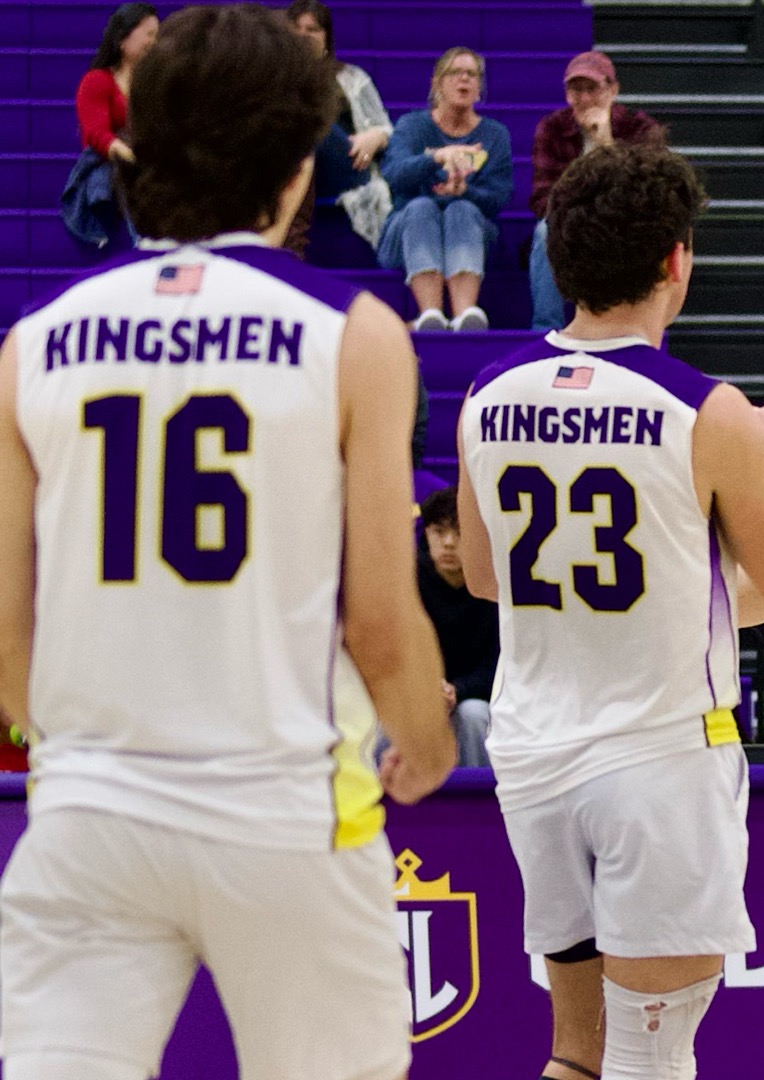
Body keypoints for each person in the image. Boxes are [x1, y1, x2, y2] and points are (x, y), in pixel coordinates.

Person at [0, 8, 457, 1079]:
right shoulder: (356, 334)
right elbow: (381, 627)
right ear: (297, 166)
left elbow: (7, 640)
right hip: (284, 811)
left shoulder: (29, 347)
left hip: (91, 816)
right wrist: (426, 750)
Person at [457, 140, 764, 1080]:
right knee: (649, 1060)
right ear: (676, 260)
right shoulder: (708, 410)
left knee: (577, 1059)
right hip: (661, 759)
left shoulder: (484, 394)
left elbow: (485, 577)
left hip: (535, 756)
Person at [379, 47, 514, 332]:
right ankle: (431, 315)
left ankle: (466, 315)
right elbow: (393, 174)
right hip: (406, 233)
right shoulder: (412, 125)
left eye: (471, 74)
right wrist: (437, 157)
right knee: (421, 207)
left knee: (461, 208)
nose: (463, 80)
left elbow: (498, 199)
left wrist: (464, 191)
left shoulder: (495, 135)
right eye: (455, 73)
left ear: (479, 87)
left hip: (471, 234)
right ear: (437, 83)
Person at [530, 51, 663, 332]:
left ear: (613, 90)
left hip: (624, 221)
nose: (585, 98)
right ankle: (545, 329)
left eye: (593, 88)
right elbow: (542, 196)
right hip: (568, 221)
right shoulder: (552, 128)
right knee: (545, 230)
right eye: (576, 89)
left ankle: (629, 328)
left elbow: (646, 194)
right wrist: (580, 214)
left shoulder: (639, 128)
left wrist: (605, 143)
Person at [285, 0, 394, 252]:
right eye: (297, 28)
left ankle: (291, 243)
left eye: (313, 29)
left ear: (326, 39)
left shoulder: (351, 76)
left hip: (346, 165)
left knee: (308, 121)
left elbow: (386, 128)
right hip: (289, 166)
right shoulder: (270, 78)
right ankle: (292, 242)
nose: (304, 35)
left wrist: (375, 136)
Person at [61, 3, 156, 249]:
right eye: (149, 34)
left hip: (146, 170)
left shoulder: (154, 83)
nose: (154, 42)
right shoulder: (97, 81)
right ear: (123, 39)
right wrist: (132, 157)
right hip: (109, 174)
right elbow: (97, 134)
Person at [416, 486, 496, 768]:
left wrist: (456, 690)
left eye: (459, 532)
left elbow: (498, 666)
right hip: (418, 690)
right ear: (426, 534)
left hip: (472, 696)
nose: (449, 543)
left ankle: (476, 803)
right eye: (439, 532)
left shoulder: (494, 586)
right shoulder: (408, 581)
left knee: (474, 715)